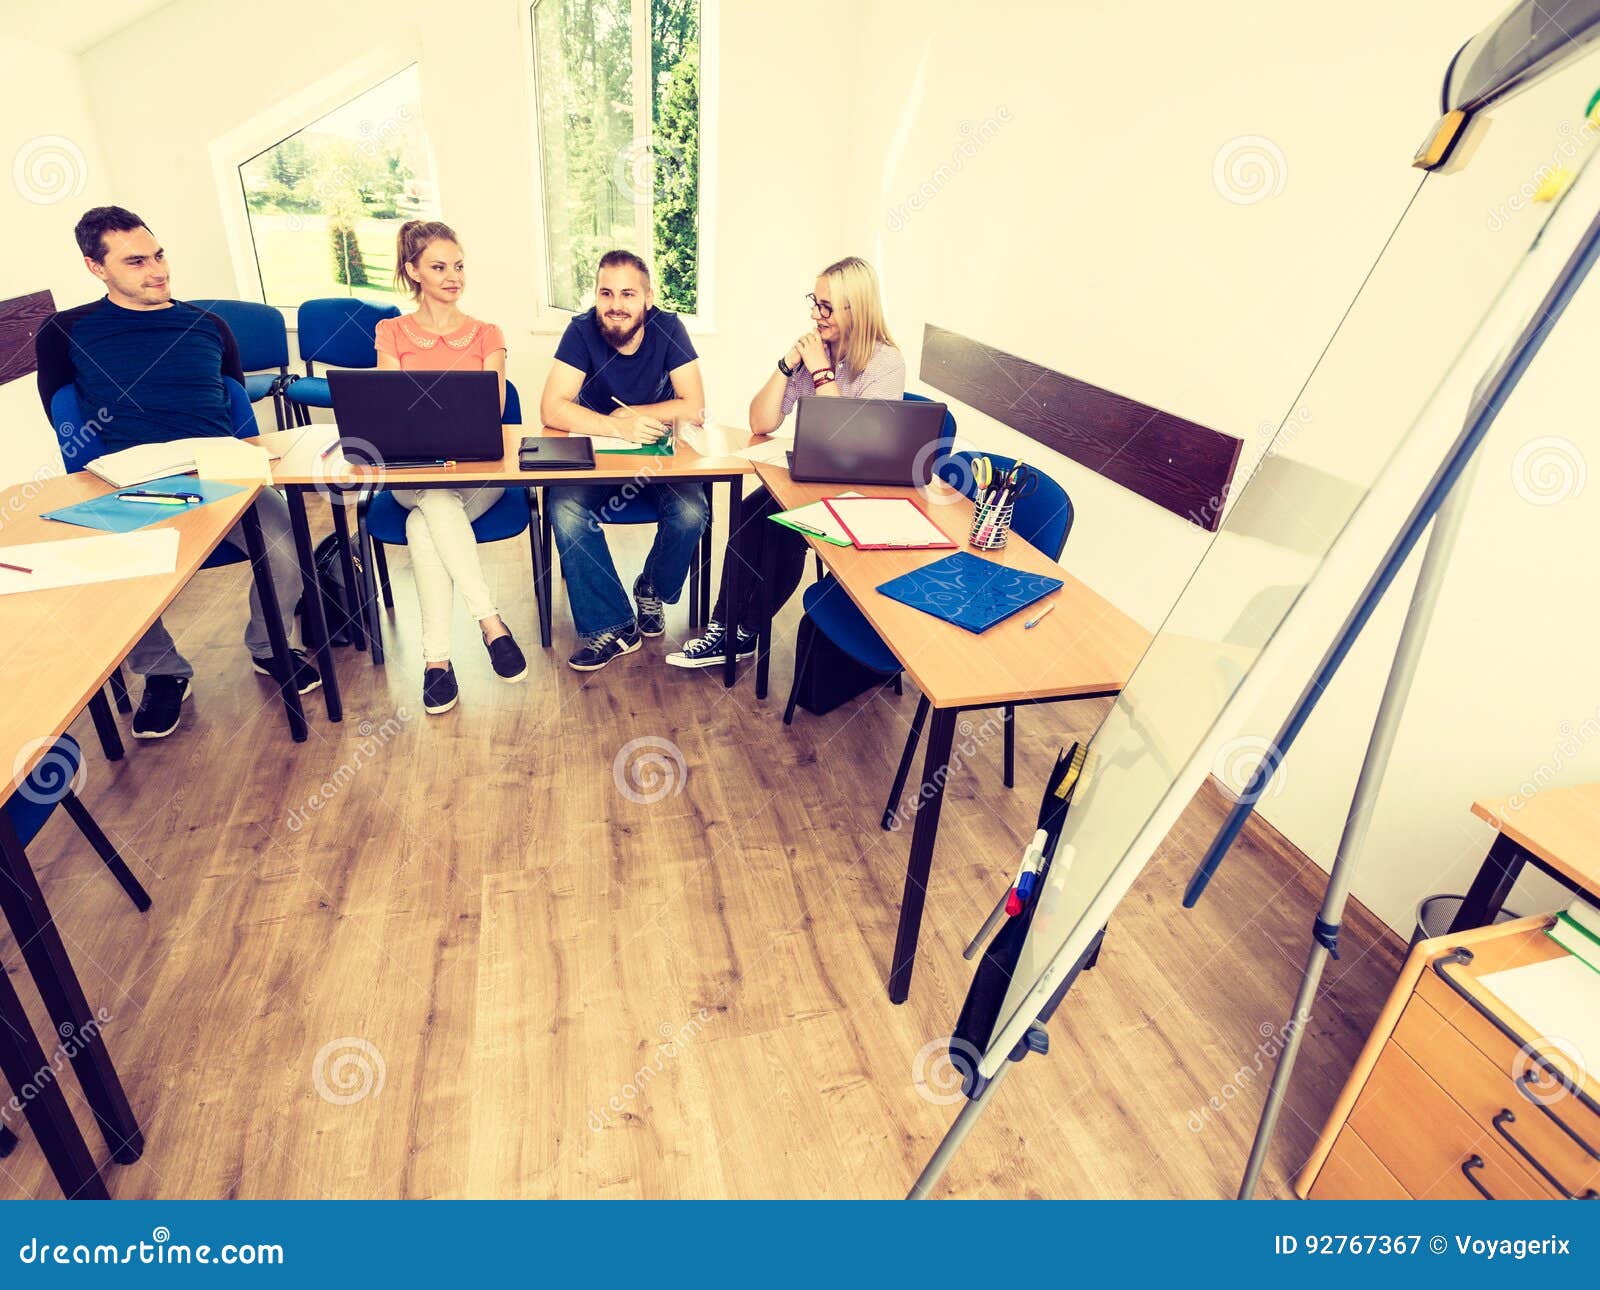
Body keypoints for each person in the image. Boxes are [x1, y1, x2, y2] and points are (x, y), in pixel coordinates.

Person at [34, 205, 318, 739]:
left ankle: (269, 644)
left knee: (285, 545)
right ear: (98, 269)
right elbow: (63, 412)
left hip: (216, 470)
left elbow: (234, 402)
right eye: (136, 261)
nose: (157, 270)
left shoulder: (208, 326)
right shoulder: (65, 331)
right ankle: (163, 672)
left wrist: (251, 457)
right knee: (106, 567)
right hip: (130, 481)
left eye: (159, 254)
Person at [666, 255, 905, 669]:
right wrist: (786, 364)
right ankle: (725, 628)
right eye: (815, 301)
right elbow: (760, 421)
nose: (815, 313)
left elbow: (850, 444)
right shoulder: (819, 350)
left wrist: (822, 373)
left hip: (860, 493)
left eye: (826, 306)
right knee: (747, 512)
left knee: (782, 532)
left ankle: (748, 629)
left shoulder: (885, 363)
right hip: (814, 478)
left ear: (857, 308)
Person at [374, 219, 526, 716]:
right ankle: (491, 624)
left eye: (458, 266)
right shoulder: (391, 332)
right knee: (433, 499)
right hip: (413, 477)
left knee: (426, 522)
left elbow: (491, 406)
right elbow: (392, 410)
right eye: (438, 266)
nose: (452, 276)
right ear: (412, 271)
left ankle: (436, 662)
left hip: (477, 475)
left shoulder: (488, 333)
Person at [540, 250, 709, 672]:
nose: (616, 304)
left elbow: (695, 406)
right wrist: (616, 428)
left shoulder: (669, 328)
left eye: (628, 294)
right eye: (606, 293)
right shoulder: (580, 331)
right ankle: (613, 625)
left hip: (655, 460)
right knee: (563, 506)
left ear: (647, 299)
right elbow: (551, 408)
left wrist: (636, 416)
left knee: (692, 511)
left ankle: (650, 586)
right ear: (596, 296)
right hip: (597, 457)